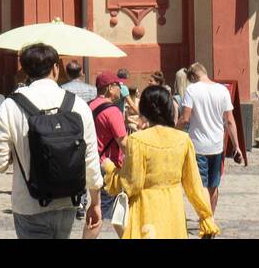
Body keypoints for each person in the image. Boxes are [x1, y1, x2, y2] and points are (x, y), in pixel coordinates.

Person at [0, 43, 103, 239]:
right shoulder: (77, 104)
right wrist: (95, 202)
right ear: (56, 68)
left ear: (25, 70)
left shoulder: (9, 106)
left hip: (28, 202)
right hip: (67, 201)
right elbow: (91, 158)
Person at [102, 84, 219, 240]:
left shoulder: (137, 141)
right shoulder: (183, 139)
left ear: (144, 109)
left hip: (145, 212)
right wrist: (205, 215)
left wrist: (110, 169)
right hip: (173, 212)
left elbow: (131, 183)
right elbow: (194, 184)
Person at [177, 63, 240, 211]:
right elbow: (230, 121)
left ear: (192, 77)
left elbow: (185, 118)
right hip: (217, 145)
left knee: (201, 185)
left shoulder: (192, 90)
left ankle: (205, 221)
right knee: (213, 185)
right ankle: (210, 218)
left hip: (198, 146)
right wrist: (236, 146)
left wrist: (172, 131)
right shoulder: (222, 90)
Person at [88, 71, 128, 225]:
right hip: (108, 166)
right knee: (103, 212)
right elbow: (123, 143)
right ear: (110, 88)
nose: (121, 88)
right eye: (118, 85)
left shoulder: (89, 105)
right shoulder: (113, 111)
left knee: (102, 207)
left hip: (92, 161)